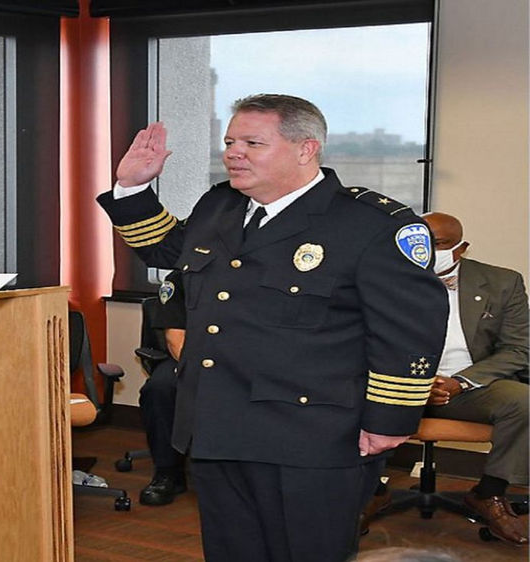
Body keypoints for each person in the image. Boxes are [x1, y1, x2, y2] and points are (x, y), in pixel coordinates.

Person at [97, 94, 448, 562]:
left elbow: (409, 332)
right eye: (229, 141)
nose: (232, 153)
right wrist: (131, 189)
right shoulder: (220, 205)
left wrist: (388, 421)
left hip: (312, 435)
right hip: (218, 425)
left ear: (306, 149)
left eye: (252, 142)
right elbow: (167, 251)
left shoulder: (371, 225)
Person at [423, 211, 528, 545]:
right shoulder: (386, 277)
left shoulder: (502, 282)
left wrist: (460, 382)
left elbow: (517, 349)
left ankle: (489, 493)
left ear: (461, 248)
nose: (426, 250)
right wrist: (418, 385)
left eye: (436, 244)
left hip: (469, 387)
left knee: (523, 401)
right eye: (419, 241)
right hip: (404, 385)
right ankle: (373, 491)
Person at [138, 270, 188, 506]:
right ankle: (167, 472)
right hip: (187, 356)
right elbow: (176, 339)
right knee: (159, 389)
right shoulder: (180, 278)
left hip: (242, 358)